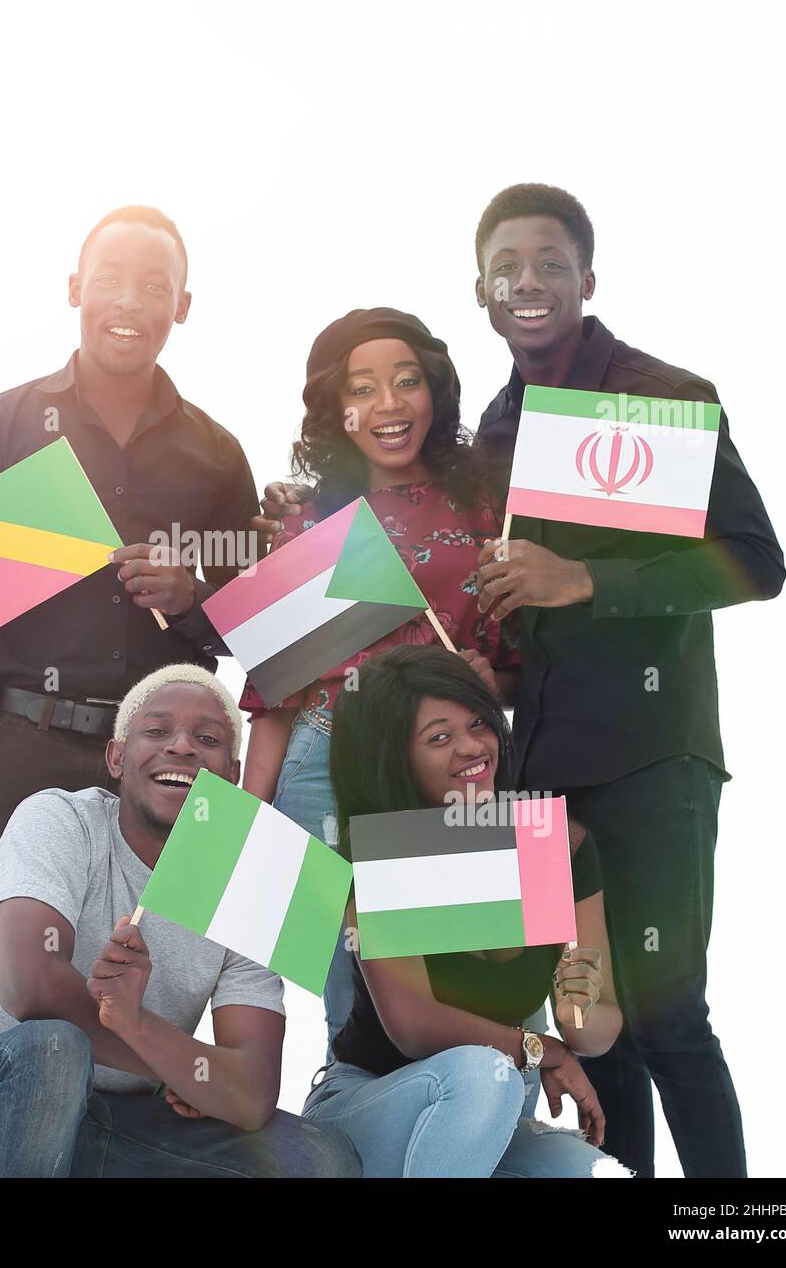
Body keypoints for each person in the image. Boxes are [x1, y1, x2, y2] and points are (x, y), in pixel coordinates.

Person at [470, 183, 785, 1177]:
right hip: (541, 770)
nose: (528, 281)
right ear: (481, 291)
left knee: (666, 1014)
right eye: (506, 266)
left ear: (586, 280)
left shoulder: (663, 393)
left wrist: (583, 580)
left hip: (653, 754)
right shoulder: (494, 431)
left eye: (549, 263)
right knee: (590, 1022)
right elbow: (516, 616)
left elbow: (752, 560)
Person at [0, 205, 260, 950]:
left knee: (154, 978)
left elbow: (253, 624)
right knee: (0, 989)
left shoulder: (218, 455)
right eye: (110, 279)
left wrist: (193, 599)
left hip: (164, 765)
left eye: (153, 284)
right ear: (75, 287)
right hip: (23, 749)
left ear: (183, 305)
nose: (130, 302)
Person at [0, 665, 361, 1179]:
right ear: (116, 756)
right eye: (157, 731)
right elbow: (32, 989)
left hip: (121, 1124)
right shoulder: (58, 819)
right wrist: (179, 1069)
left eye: (206, 738)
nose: (182, 746)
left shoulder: (242, 887)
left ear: (232, 773)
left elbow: (250, 1092)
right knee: (54, 1048)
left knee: (321, 1159)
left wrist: (137, 1023)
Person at [239, 307, 517, 1050]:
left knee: (475, 991)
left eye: (407, 381)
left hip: (454, 762)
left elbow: (511, 653)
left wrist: (492, 680)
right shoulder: (310, 520)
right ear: (338, 410)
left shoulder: (487, 503)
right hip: (325, 762)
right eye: (362, 388)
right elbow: (277, 692)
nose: (389, 404)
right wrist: (246, 816)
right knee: (356, 1006)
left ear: (434, 391)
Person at [301, 645, 627, 1177]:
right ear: (394, 757)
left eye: (479, 723)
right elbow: (414, 1025)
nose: (473, 746)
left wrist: (577, 1011)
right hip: (373, 1105)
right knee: (485, 1073)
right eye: (438, 737)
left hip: (492, 1119)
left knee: (598, 1173)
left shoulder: (558, 845)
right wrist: (542, 1049)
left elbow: (593, 1032)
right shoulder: (376, 856)